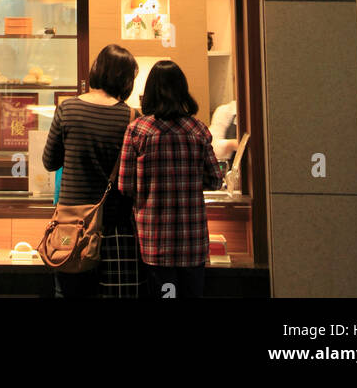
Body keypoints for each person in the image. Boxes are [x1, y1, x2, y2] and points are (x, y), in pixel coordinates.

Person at [42, 43, 142, 298]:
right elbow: (135, 177)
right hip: (115, 228)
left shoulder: (68, 108)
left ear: (97, 70)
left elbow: (50, 162)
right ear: (126, 79)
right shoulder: (132, 117)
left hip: (71, 228)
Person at [118, 59, 222, 299]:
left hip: (155, 241)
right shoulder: (198, 130)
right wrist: (190, 182)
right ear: (182, 90)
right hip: (192, 240)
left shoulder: (137, 130)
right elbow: (215, 180)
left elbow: (125, 186)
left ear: (150, 91)